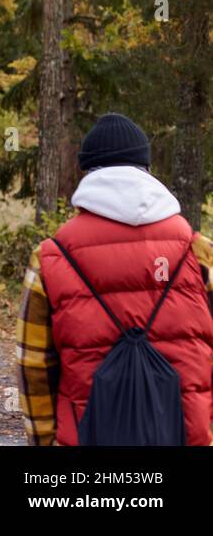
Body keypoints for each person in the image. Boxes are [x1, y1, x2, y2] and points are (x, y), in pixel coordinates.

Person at [16, 112, 213, 445]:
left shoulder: (51, 257)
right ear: (147, 169)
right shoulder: (198, 251)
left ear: (88, 172)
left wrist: (45, 441)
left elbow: (33, 365)